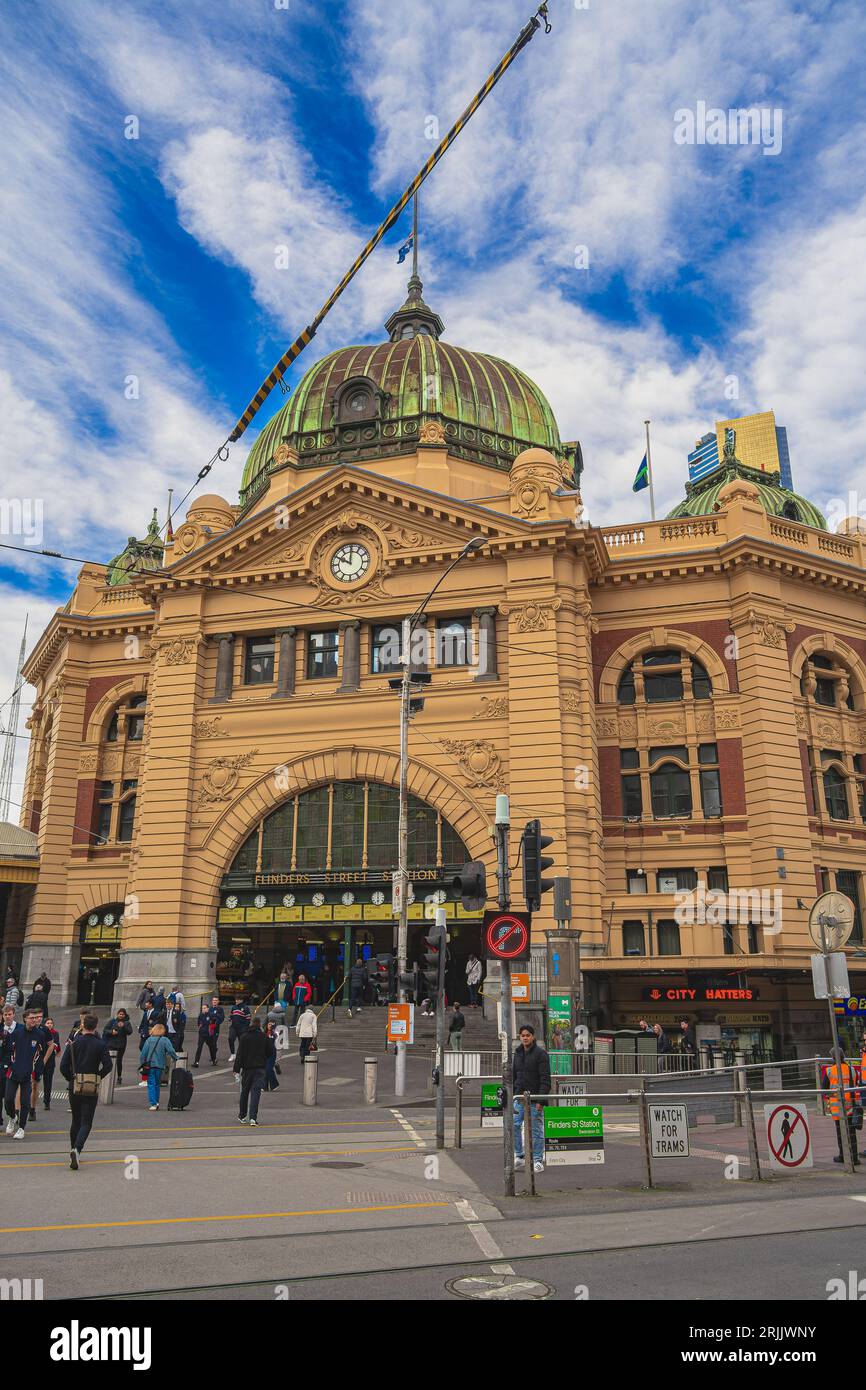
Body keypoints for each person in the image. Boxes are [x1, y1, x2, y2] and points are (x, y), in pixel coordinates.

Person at [59, 1012, 113, 1168]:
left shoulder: (73, 1043)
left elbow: (63, 1066)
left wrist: (71, 1078)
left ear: (83, 1026)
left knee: (75, 1120)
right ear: (96, 1026)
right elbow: (108, 1065)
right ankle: (77, 1149)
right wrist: (98, 1076)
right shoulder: (100, 1044)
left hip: (75, 1084)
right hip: (91, 1084)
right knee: (86, 1121)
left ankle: (72, 1149)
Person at [512, 1023, 551, 1174]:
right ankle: (520, 1155)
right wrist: (514, 1094)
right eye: (523, 1035)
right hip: (519, 1097)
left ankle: (537, 1160)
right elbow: (515, 1076)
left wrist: (541, 1100)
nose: (525, 1038)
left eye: (528, 1035)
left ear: (533, 1037)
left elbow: (545, 1079)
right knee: (514, 1125)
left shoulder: (541, 1054)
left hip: (535, 1098)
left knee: (536, 1130)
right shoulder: (518, 1053)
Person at [1, 1008, 45, 1138]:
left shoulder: (39, 1035)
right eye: (31, 1018)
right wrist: (8, 1065)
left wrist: (38, 1072)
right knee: (8, 1100)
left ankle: (21, 1128)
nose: (34, 1020)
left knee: (25, 1102)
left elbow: (40, 1055)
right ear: (25, 1019)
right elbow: (8, 1051)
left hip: (28, 1074)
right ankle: (12, 1117)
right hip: (13, 1073)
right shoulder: (16, 1033)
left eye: (36, 1018)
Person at [233, 1016, 275, 1126]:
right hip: (260, 1068)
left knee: (244, 1092)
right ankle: (253, 1118)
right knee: (256, 1093)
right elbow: (271, 1051)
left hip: (247, 1069)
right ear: (259, 1025)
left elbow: (239, 1054)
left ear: (251, 1024)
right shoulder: (263, 1036)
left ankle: (242, 1115)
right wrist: (263, 1057)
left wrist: (236, 1069)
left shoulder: (244, 1036)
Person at [825, 1055, 861, 1166]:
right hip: (850, 1105)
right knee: (852, 1132)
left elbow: (825, 1088)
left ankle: (843, 1156)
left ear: (833, 1058)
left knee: (840, 1132)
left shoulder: (829, 1070)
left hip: (837, 1106)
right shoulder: (852, 1070)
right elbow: (856, 1083)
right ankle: (854, 1157)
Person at [139, 1022, 177, 1111]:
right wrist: (176, 1058)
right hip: (160, 1065)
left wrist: (142, 1064)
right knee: (157, 1084)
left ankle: (153, 1103)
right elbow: (171, 1050)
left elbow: (143, 1054)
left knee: (151, 1084)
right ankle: (156, 1101)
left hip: (150, 1065)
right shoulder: (165, 1040)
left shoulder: (149, 1040)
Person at [102, 1009, 133, 1085]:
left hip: (121, 1045)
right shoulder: (112, 1021)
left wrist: (124, 1026)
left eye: (122, 1014)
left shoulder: (127, 1023)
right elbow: (105, 1030)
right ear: (117, 1014)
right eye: (120, 1014)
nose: (121, 1016)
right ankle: (108, 1075)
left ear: (125, 1015)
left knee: (119, 1061)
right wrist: (111, 1032)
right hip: (111, 1044)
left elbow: (130, 1032)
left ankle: (119, 1076)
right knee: (109, 1060)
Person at [193, 997, 224, 1066]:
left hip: (209, 1035)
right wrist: (200, 1028)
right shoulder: (200, 1015)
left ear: (208, 1009)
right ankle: (196, 1062)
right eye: (202, 1008)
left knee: (211, 1047)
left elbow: (214, 1023)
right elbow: (199, 1024)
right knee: (199, 1047)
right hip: (202, 1034)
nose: (203, 1009)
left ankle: (214, 1060)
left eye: (205, 1008)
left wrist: (211, 1031)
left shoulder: (211, 1015)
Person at [40, 1016, 60, 1109]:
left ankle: (47, 1101)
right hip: (39, 1058)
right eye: (48, 1023)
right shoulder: (40, 1032)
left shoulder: (55, 1033)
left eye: (51, 1023)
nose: (50, 1025)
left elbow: (56, 1045)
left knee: (48, 1082)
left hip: (50, 1060)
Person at [263, 1019, 280, 1091]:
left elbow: (276, 1039)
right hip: (264, 1053)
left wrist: (272, 1032)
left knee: (269, 1069)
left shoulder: (275, 1033)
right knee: (265, 1069)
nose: (270, 1026)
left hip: (272, 1053)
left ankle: (274, 1084)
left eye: (272, 1024)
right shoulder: (264, 1033)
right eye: (269, 1024)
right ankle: (265, 1086)